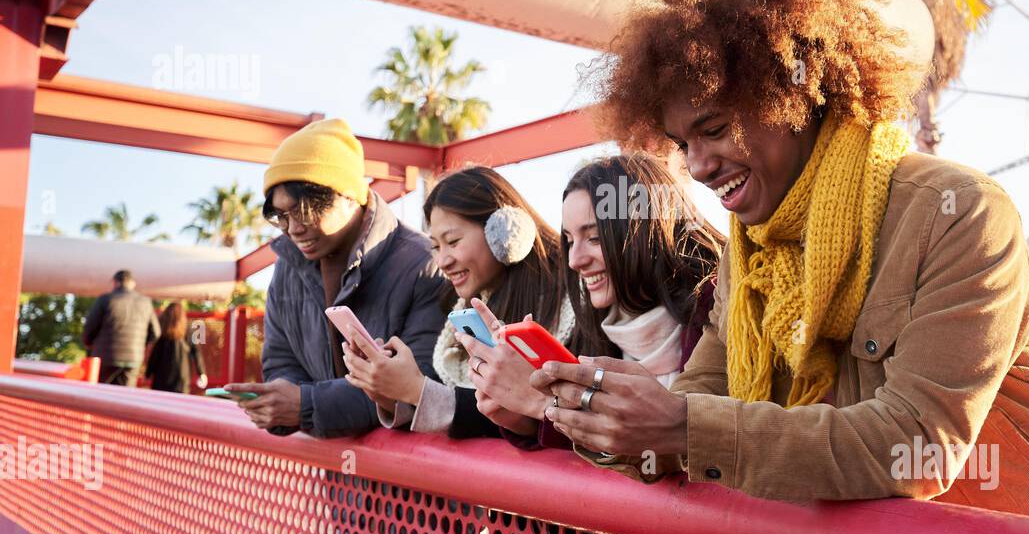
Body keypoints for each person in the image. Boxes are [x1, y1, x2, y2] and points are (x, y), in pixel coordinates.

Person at [529, 0, 1029, 534]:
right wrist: (595, 414)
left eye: (715, 129)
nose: (696, 166)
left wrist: (679, 428)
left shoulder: (958, 214)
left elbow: (917, 448)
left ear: (796, 96)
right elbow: (697, 400)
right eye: (681, 144)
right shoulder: (747, 254)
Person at [463, 154, 723, 479]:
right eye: (569, 240)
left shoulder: (717, 311)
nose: (574, 260)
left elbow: (698, 445)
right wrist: (520, 417)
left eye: (595, 237)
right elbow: (596, 459)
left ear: (648, 230)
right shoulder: (592, 328)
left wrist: (543, 404)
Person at [229, 117, 447, 438]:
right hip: (336, 478)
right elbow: (281, 358)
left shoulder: (423, 263)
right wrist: (279, 397)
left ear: (349, 196)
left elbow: (424, 385)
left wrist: (305, 405)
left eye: (303, 212)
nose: (293, 228)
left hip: (412, 476)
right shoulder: (287, 266)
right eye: (281, 216)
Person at [341, 165, 571, 438]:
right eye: (436, 247)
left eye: (453, 241)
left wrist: (415, 390)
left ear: (506, 229)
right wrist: (389, 392)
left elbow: (532, 419)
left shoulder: (572, 304)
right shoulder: (459, 314)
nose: (442, 261)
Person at [82, 270, 160, 387]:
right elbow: (156, 332)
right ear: (133, 284)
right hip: (133, 358)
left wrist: (88, 343)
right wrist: (140, 344)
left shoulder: (105, 300)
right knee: (125, 397)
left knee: (100, 395)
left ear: (115, 282)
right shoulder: (145, 302)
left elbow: (90, 327)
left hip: (105, 356)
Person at [144, 301, 207, 394]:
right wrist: (201, 373)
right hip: (182, 379)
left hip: (161, 379)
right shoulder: (190, 329)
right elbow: (196, 352)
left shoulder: (162, 330)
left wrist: (148, 373)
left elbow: (155, 354)